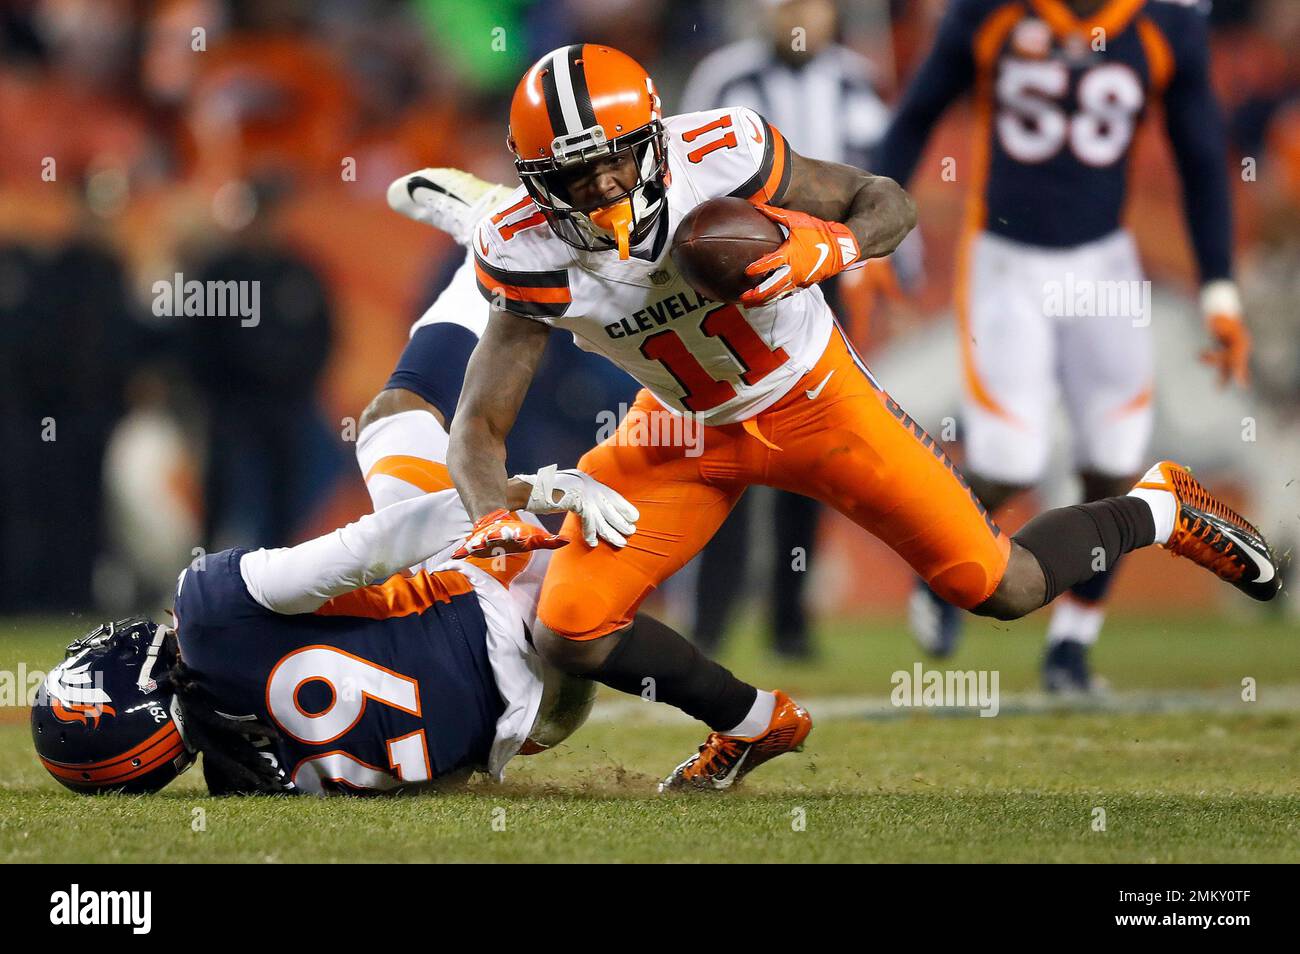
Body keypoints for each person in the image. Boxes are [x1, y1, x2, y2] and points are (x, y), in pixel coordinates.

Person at [443, 44, 1281, 791]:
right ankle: (753, 724)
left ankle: (1158, 507)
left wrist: (829, 247)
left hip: (817, 398)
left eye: (614, 162)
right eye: (571, 177)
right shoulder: (525, 250)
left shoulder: (725, 150)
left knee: (1003, 587)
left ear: (656, 140)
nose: (599, 190)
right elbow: (477, 427)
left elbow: (886, 202)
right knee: (569, 631)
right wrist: (492, 520)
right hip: (681, 426)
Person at [872, 0, 1252, 690]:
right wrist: (867, 239)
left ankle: (1072, 645)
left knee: (1115, 460)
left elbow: (1201, 158)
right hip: (1006, 263)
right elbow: (915, 118)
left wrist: (1220, 291)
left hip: (1103, 262)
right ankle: (940, 571)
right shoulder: (990, 15)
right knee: (1011, 459)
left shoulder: (1166, 26)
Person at [31, 463, 637, 796]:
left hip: (539, 723)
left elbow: (446, 783)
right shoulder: (211, 612)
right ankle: (489, 278)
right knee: (391, 427)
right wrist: (526, 492)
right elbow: (366, 548)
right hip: (525, 610)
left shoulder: (249, 781)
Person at [679, 0, 894, 660]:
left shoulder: (856, 80)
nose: (803, 17)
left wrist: (883, 268)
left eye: (815, 5)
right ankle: (710, 620)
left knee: (813, 456)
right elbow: (680, 178)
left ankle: (790, 623)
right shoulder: (724, 78)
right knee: (728, 448)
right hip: (736, 276)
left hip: (826, 273)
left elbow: (881, 182)